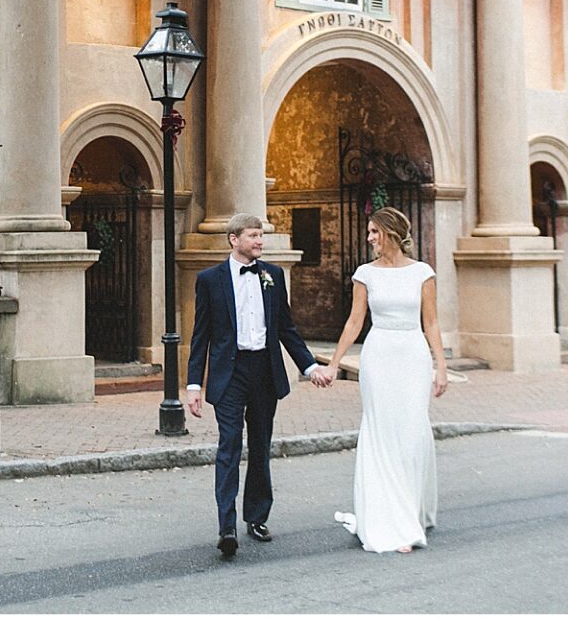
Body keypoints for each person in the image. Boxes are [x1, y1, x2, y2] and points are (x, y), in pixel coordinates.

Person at [186, 212, 331, 559]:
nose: (260, 242)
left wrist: (310, 366)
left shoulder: (273, 275)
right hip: (230, 373)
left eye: (261, 236)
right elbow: (200, 336)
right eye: (254, 236)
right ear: (234, 239)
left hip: (264, 372)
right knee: (229, 447)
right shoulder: (210, 280)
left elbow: (286, 328)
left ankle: (257, 516)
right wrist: (194, 385)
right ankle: (227, 526)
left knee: (261, 447)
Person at [314, 206, 448, 553]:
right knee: (381, 431)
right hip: (379, 355)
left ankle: (411, 510)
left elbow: (431, 322)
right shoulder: (365, 274)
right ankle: (391, 520)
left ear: (389, 233)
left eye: (374, 232)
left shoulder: (422, 273)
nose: (370, 238)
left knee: (411, 430)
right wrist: (335, 363)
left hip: (413, 355)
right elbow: (354, 323)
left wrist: (441, 366)